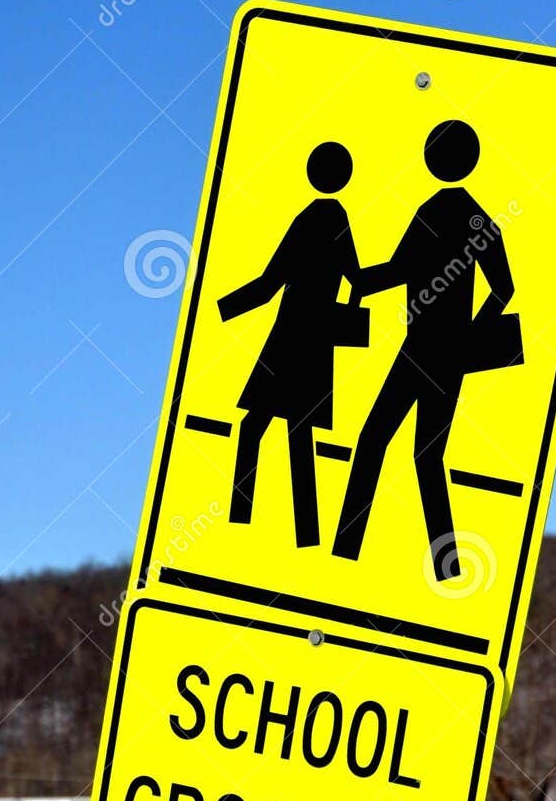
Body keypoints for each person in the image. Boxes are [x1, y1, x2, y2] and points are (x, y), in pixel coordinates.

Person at [331, 120, 515, 580]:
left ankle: (344, 553)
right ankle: (445, 568)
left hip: (423, 350)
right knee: (424, 456)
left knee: (373, 441)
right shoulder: (477, 217)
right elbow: (503, 289)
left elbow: (399, 270)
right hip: (444, 353)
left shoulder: (438, 212)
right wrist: (472, 334)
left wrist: (357, 281)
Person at [218, 141, 361, 549]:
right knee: (299, 438)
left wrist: (223, 308)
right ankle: (307, 538)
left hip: (291, 337)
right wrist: (344, 314)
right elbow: (357, 279)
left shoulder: (312, 219)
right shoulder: (339, 218)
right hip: (316, 341)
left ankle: (238, 524)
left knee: (254, 430)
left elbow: (268, 285)